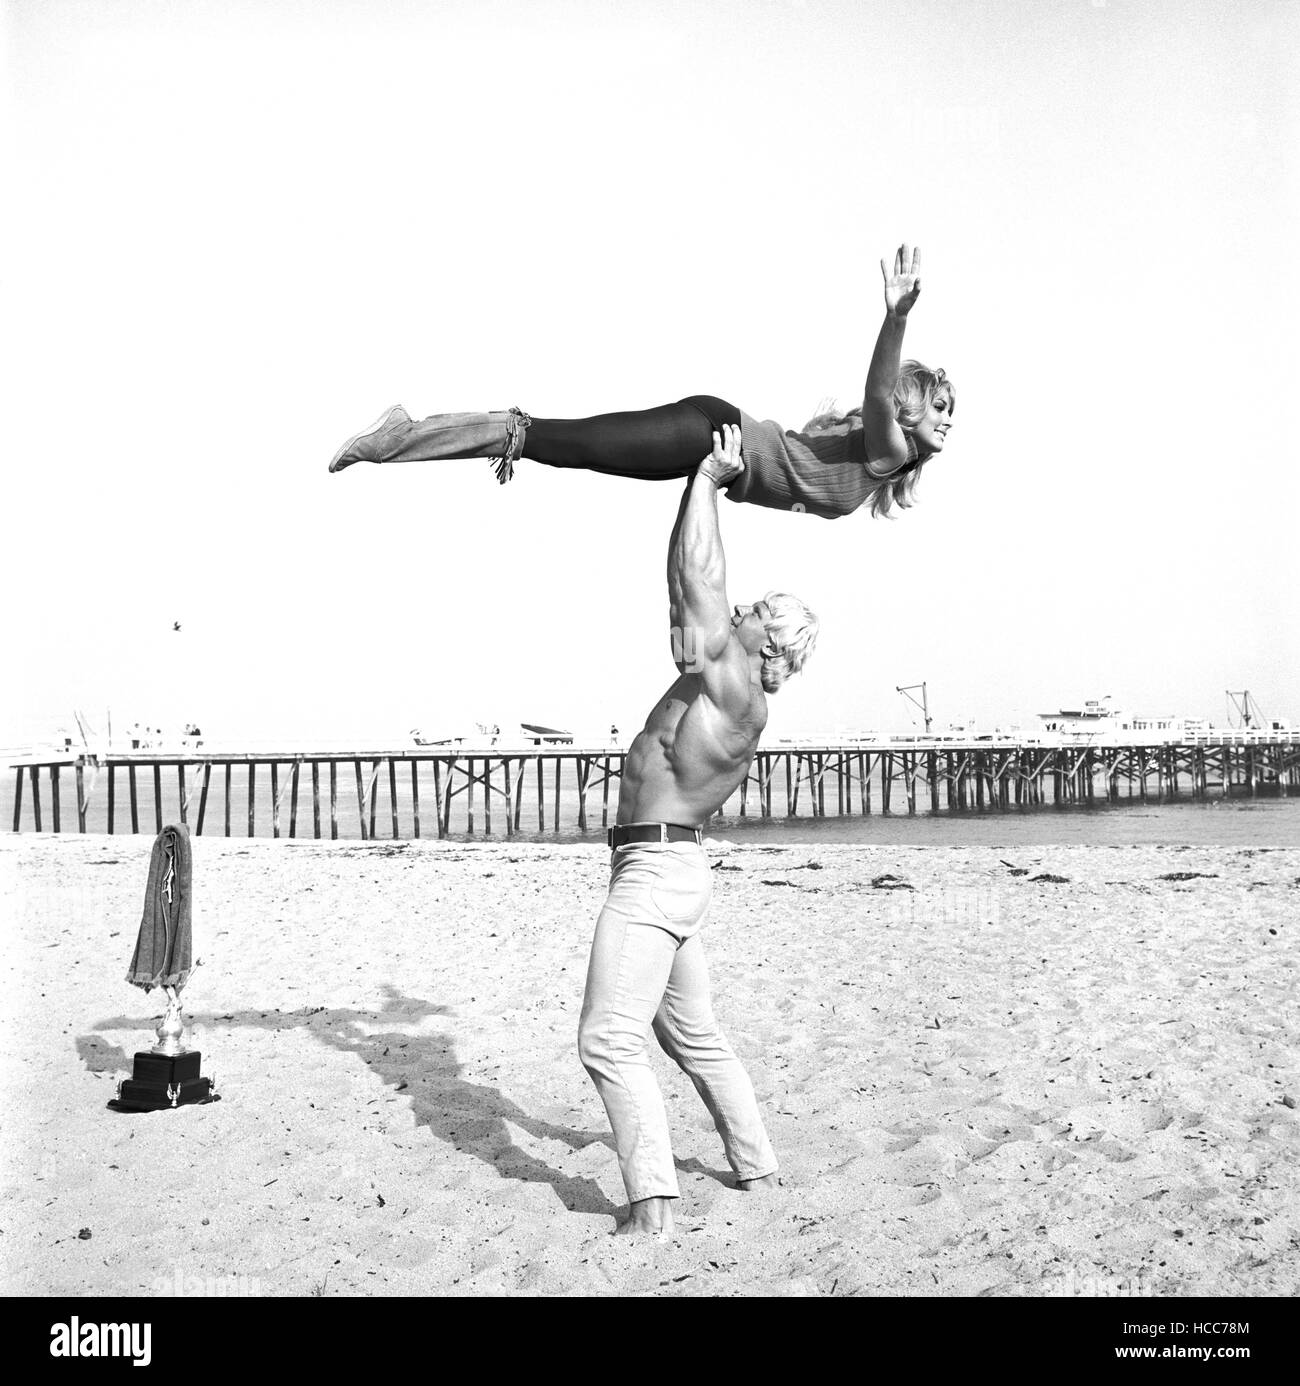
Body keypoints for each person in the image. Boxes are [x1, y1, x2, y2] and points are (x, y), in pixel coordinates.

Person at [578, 424, 818, 1236]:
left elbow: (695, 577)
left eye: (753, 613)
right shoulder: (740, 696)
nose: (739, 610)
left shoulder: (726, 682)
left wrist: (708, 482)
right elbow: (695, 592)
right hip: (676, 873)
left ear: (767, 640)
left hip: (653, 874)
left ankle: (651, 1207)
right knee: (692, 1034)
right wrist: (701, 490)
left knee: (607, 1040)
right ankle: (757, 1168)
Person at [327, 246, 953, 520]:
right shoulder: (887, 452)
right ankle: (403, 435)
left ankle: (408, 435)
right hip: (712, 432)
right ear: (910, 412)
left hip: (714, 451)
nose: (949, 418)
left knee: (561, 449)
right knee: (557, 440)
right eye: (940, 407)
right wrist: (895, 319)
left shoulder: (879, 466)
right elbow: (875, 397)